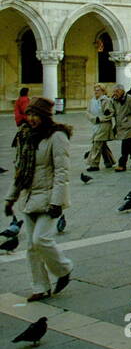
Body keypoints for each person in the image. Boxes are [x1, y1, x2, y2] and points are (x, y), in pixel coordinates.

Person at [5, 96, 73, 301]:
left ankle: (64, 269)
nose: (32, 119)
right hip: (29, 197)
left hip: (49, 197)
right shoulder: (25, 136)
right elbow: (20, 171)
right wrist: (11, 198)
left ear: (45, 116)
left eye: (36, 115)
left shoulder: (56, 136)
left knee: (41, 239)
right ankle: (40, 286)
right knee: (32, 247)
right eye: (29, 114)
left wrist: (56, 201)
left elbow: (62, 171)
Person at [110, 85, 131, 170]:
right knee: (128, 144)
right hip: (121, 124)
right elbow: (114, 111)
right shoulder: (114, 100)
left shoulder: (130, 98)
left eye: (117, 91)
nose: (115, 93)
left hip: (130, 123)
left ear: (122, 91)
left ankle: (122, 164)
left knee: (125, 143)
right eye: (114, 91)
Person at [85, 84, 115, 169]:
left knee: (97, 143)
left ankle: (94, 164)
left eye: (98, 90)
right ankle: (109, 161)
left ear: (103, 91)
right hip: (95, 124)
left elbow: (110, 113)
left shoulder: (106, 101)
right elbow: (87, 112)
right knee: (102, 144)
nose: (96, 92)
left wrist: (101, 119)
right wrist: (93, 119)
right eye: (95, 90)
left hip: (104, 125)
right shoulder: (92, 101)